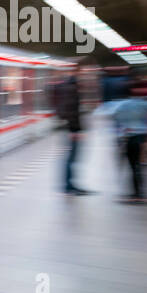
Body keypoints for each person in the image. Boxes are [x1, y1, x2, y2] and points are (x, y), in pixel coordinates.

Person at [111, 81, 147, 203]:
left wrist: (118, 137)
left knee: (133, 167)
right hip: (142, 139)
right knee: (140, 167)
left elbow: (116, 121)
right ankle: (139, 194)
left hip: (128, 138)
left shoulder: (120, 105)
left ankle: (135, 193)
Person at [54, 64, 93, 195]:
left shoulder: (69, 85)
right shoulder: (71, 87)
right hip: (72, 129)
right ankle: (69, 186)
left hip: (70, 128)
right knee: (72, 158)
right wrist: (75, 130)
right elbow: (70, 109)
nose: (86, 75)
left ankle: (70, 185)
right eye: (85, 72)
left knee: (72, 158)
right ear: (79, 72)